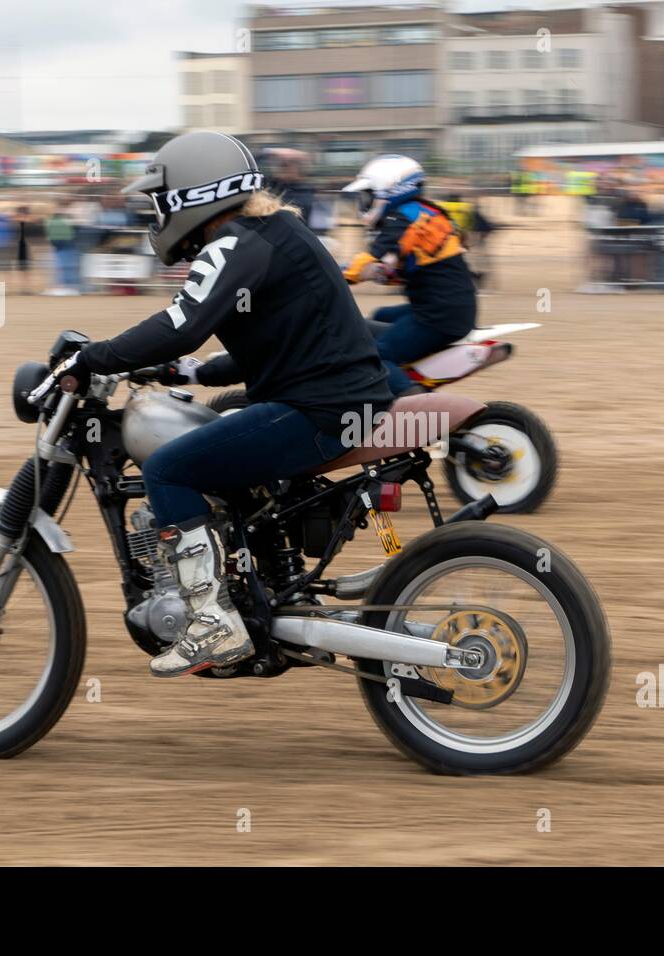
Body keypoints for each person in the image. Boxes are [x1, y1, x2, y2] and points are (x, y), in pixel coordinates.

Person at [29, 131, 392, 678]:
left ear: (192, 195)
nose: (157, 214)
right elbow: (272, 344)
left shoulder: (235, 243)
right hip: (336, 399)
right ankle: (259, 580)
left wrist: (91, 360)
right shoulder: (273, 231)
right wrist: (189, 371)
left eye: (161, 200)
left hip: (318, 410)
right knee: (222, 426)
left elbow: (181, 324)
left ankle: (211, 620)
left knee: (170, 468)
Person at [340, 154, 476, 396]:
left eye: (368, 195)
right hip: (446, 307)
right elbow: (404, 265)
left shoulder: (403, 218)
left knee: (374, 358)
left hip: (438, 316)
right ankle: (402, 380)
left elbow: (367, 261)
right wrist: (381, 272)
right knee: (380, 316)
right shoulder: (421, 212)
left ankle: (416, 404)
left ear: (390, 190)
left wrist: (331, 275)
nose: (364, 202)